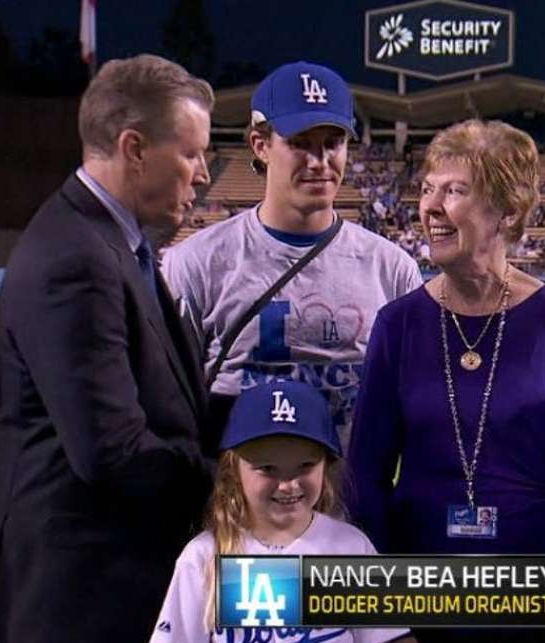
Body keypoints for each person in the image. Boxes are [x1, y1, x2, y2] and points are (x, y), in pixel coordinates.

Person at [347, 119, 545, 643]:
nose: (430, 206)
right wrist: (386, 625)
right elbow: (365, 480)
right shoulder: (399, 324)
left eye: (453, 191)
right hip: (429, 598)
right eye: (427, 189)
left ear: (505, 211)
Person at [0, 55, 213, 643]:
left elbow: (168, 404)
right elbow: (110, 449)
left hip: (105, 620)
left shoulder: (113, 242)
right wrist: (232, 483)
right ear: (134, 149)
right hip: (83, 627)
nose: (201, 172)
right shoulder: (76, 255)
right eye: (190, 153)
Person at [163, 61, 421, 450]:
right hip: (234, 502)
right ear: (261, 145)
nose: (319, 161)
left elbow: (415, 403)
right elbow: (169, 406)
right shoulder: (196, 263)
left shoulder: (393, 269)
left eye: (332, 143)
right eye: (300, 142)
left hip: (351, 505)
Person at [149, 380, 403, 643]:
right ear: (233, 469)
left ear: (325, 466)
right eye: (267, 468)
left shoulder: (352, 549)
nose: (288, 484)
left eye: (304, 466)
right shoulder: (203, 558)